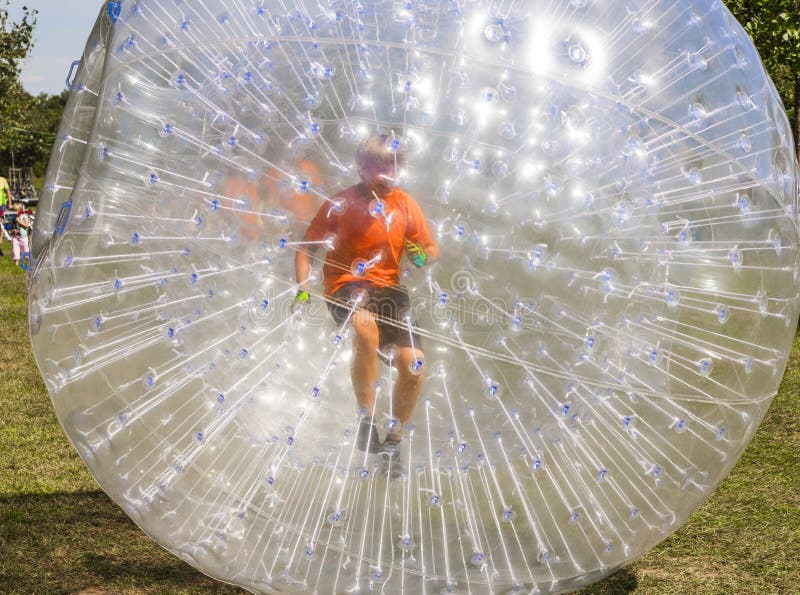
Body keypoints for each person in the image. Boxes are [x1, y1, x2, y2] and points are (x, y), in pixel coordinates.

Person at [294, 133, 439, 473]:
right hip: (345, 285)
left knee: (414, 364)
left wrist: (419, 256)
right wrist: (303, 289)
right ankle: (366, 421)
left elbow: (430, 250)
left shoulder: (405, 204)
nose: (385, 174)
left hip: (389, 290)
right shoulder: (340, 204)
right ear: (360, 169)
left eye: (392, 167)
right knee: (365, 330)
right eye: (377, 167)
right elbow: (306, 248)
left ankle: (393, 443)